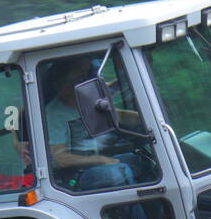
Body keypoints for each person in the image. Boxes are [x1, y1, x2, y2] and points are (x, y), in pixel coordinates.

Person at [40, 58, 152, 191]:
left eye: (83, 78)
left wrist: (150, 121)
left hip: (94, 162)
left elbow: (118, 116)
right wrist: (100, 159)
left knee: (142, 161)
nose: (83, 82)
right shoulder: (53, 114)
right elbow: (61, 158)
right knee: (120, 172)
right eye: (79, 79)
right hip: (74, 175)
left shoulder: (84, 100)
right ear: (64, 85)